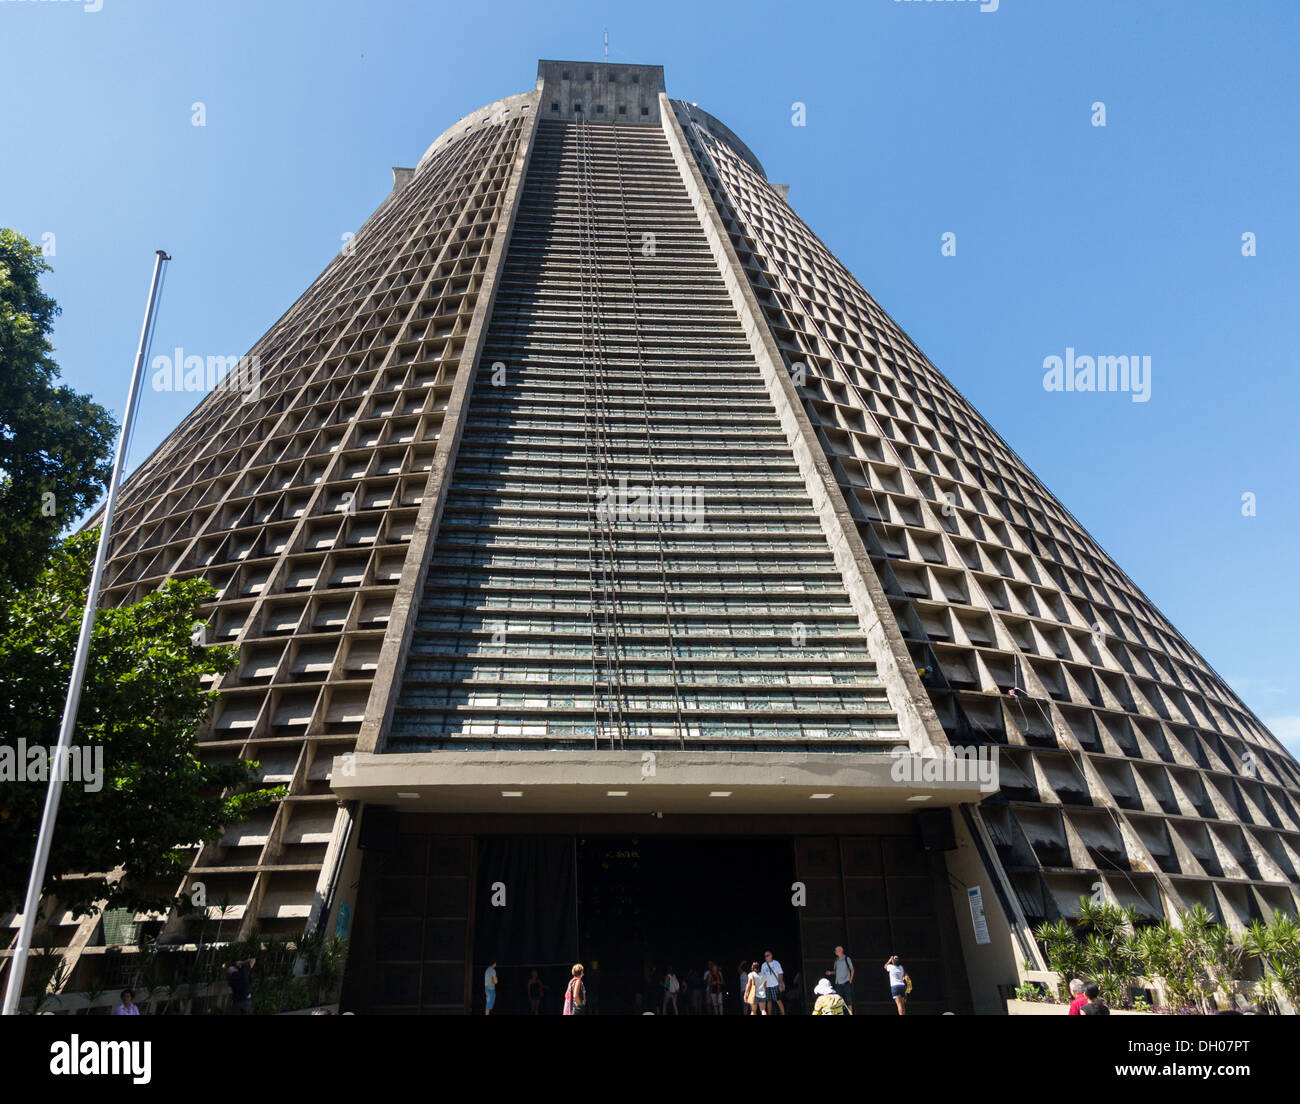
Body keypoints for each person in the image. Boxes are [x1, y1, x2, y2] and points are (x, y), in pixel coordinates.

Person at [828, 945, 854, 1009]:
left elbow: (852, 969)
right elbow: (836, 971)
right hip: (838, 983)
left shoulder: (846, 959)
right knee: (839, 1001)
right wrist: (830, 973)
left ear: (840, 951)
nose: (835, 952)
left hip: (846, 982)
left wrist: (850, 980)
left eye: (836, 950)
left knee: (849, 1001)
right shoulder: (836, 960)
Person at [760, 950, 785, 1015]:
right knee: (768, 1001)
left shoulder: (776, 963)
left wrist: (780, 984)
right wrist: (763, 986)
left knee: (778, 1000)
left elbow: (780, 974)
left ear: (771, 956)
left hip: (775, 985)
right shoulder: (763, 965)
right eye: (765, 956)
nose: (766, 957)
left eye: (767, 955)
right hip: (767, 986)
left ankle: (783, 1013)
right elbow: (763, 976)